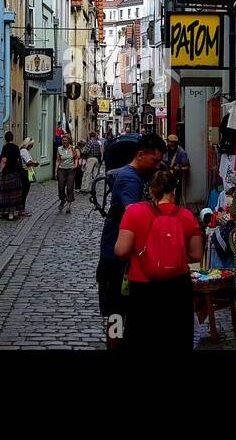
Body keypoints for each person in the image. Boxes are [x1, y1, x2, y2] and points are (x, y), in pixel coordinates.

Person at [115, 170, 203, 350]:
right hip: (178, 286)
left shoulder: (134, 212)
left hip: (143, 286)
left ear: (151, 191)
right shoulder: (187, 216)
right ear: (174, 192)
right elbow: (196, 255)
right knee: (176, 337)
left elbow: (121, 250)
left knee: (142, 336)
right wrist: (173, 252)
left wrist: (142, 252)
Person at [96, 133, 167, 350]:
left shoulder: (140, 176)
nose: (157, 165)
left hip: (124, 253)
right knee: (116, 310)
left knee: (122, 308)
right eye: (154, 160)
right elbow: (134, 214)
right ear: (140, 155)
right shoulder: (129, 179)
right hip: (116, 255)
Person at [0, 132, 24, 221]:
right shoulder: (16, 147)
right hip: (16, 173)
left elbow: (4, 160)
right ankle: (14, 211)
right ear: (12, 138)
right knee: (15, 193)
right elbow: (18, 160)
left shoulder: (5, 147)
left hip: (8, 173)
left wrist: (0, 171)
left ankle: (9, 213)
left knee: (8, 193)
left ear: (5, 139)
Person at [162, 134, 191, 204]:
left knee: (175, 196)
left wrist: (180, 168)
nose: (172, 144)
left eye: (174, 142)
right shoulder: (164, 150)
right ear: (168, 142)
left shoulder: (181, 152)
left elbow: (187, 167)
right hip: (164, 177)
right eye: (171, 142)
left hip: (176, 178)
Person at [55, 134, 80, 214]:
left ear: (69, 141)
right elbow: (58, 160)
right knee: (61, 187)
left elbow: (76, 158)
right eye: (63, 140)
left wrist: (75, 166)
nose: (64, 142)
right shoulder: (59, 148)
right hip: (61, 170)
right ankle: (63, 199)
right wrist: (56, 171)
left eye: (65, 140)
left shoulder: (73, 148)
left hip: (71, 170)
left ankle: (69, 204)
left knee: (70, 188)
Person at [19, 138, 38, 217]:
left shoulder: (22, 151)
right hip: (26, 173)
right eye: (31, 145)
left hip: (25, 172)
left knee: (23, 191)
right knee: (24, 191)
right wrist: (35, 163)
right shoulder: (24, 151)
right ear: (28, 144)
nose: (32, 147)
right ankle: (21, 209)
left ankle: (21, 208)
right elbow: (28, 162)